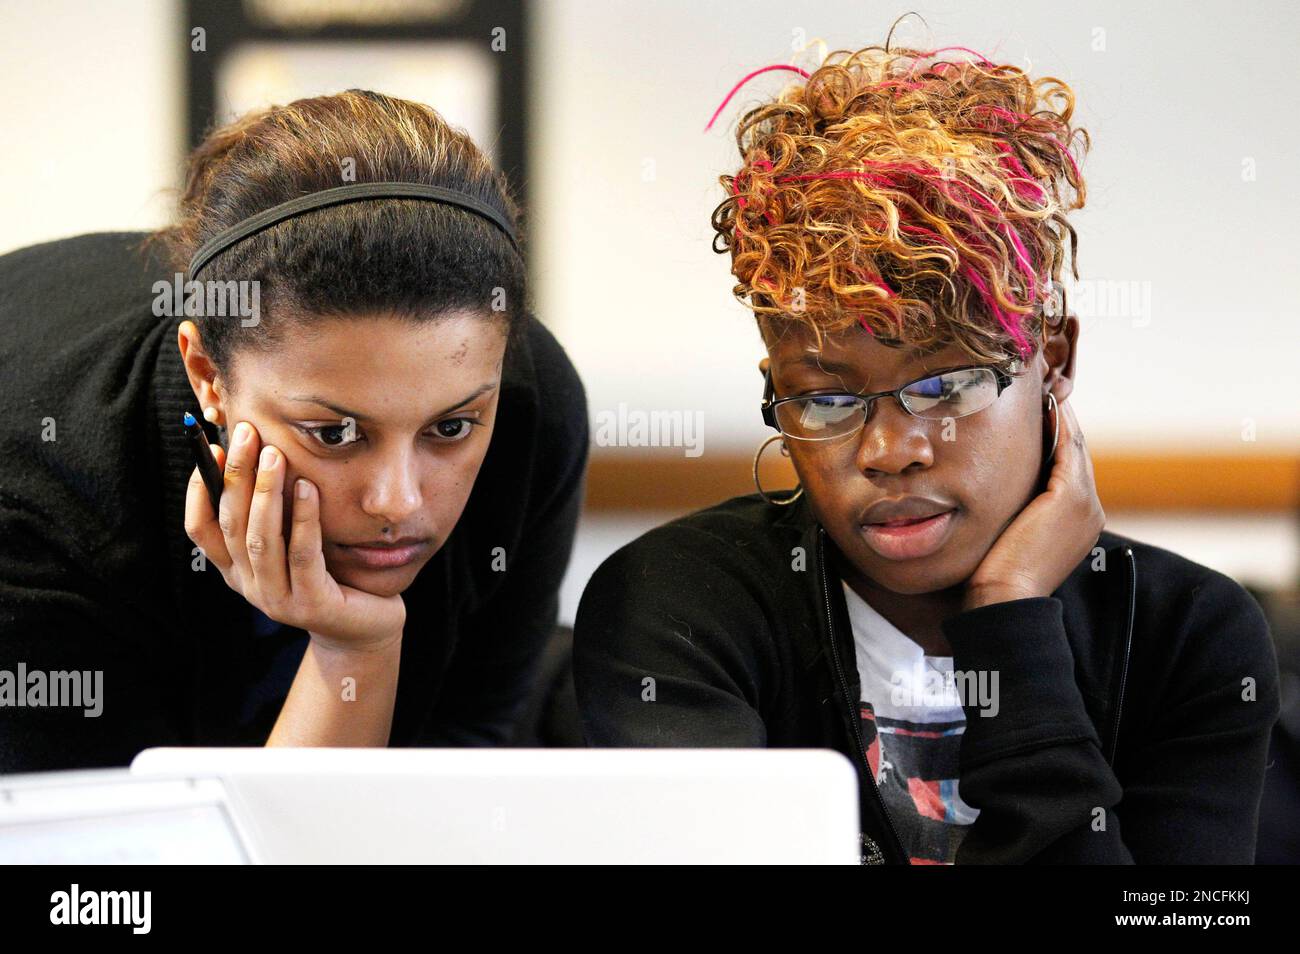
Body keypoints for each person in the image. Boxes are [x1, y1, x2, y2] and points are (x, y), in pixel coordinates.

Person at [573, 41, 1281, 864]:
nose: (888, 451)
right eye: (828, 399)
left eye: (946, 387)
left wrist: (1012, 616)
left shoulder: (1188, 636)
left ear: (1053, 358)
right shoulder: (683, 609)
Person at [0, 89, 588, 772]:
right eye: (334, 434)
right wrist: (356, 652)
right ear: (207, 378)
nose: (397, 504)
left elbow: (451, 775)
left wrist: (357, 650)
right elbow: (115, 861)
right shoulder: (37, 495)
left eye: (451, 427)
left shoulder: (529, 411)